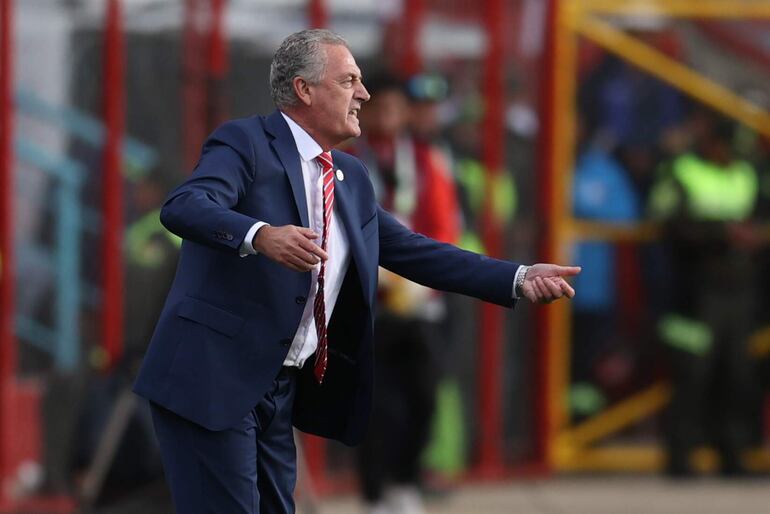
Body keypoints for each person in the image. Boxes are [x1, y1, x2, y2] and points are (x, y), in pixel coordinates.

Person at [133, 29, 580, 514]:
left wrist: (518, 277)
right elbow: (184, 205)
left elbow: (415, 252)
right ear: (304, 89)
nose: (363, 94)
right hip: (210, 378)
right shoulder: (245, 142)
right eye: (349, 81)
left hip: (277, 389)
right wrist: (260, 235)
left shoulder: (350, 178)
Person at [350, 72, 461, 514]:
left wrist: (420, 282)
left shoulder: (425, 161)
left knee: (424, 396)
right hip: (366, 303)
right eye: (378, 108)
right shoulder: (346, 160)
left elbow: (443, 224)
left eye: (394, 109)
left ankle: (406, 482)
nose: (386, 117)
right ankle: (375, 494)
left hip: (419, 300)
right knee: (374, 402)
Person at [649, 109, 761, 477]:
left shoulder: (746, 174)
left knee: (736, 374)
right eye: (727, 148)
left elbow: (758, 218)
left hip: (738, 288)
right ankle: (680, 458)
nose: (732, 156)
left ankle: (732, 455)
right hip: (694, 292)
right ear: (711, 143)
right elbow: (667, 221)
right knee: (691, 374)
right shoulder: (681, 171)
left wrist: (755, 236)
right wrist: (721, 233)